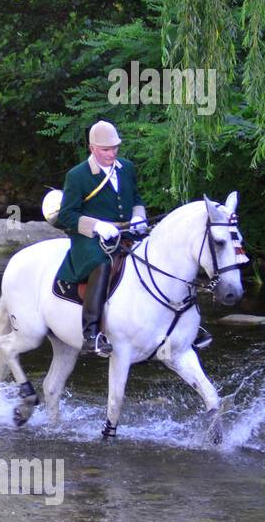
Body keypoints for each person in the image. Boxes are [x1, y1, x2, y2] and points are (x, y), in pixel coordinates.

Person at [55, 121, 212, 356]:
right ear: (92, 148)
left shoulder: (126, 168)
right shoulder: (77, 176)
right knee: (102, 263)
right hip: (90, 239)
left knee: (164, 256)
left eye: (115, 148)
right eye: (106, 150)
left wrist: (139, 216)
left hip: (127, 232)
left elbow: (136, 198)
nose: (112, 153)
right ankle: (92, 333)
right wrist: (97, 226)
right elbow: (66, 215)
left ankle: (185, 324)